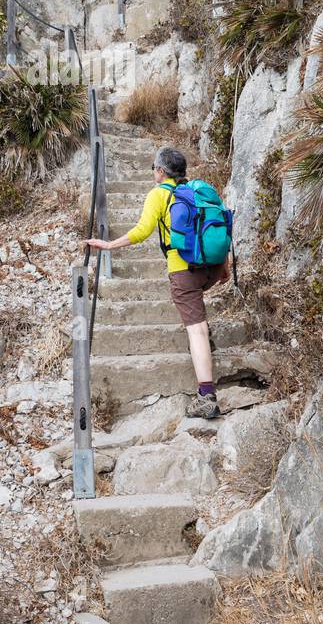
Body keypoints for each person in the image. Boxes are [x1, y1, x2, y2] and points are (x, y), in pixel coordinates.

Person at [86, 146, 230, 420]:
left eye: (154, 167)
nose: (152, 171)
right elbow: (221, 223)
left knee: (196, 330)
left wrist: (108, 245)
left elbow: (142, 231)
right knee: (198, 320)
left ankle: (206, 395)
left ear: (161, 171)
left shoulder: (159, 194)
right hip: (212, 267)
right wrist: (224, 266)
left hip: (183, 269)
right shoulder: (200, 190)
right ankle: (205, 350)